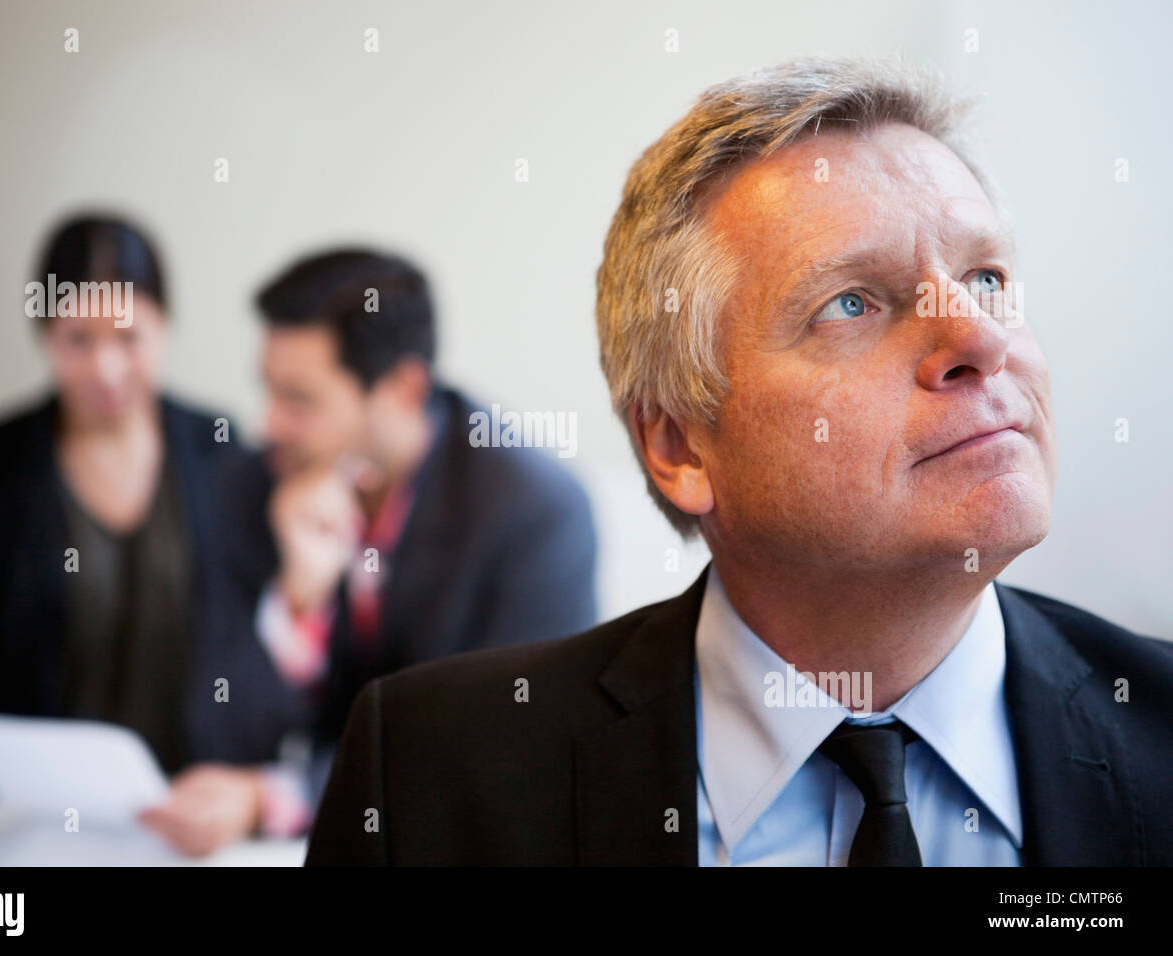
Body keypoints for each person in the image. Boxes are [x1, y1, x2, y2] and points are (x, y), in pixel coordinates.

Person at [304, 57, 1173, 866]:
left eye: (987, 279)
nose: (981, 338)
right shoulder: (427, 776)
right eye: (852, 303)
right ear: (679, 444)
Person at [204, 247, 600, 837]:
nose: (267, 425)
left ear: (402, 389)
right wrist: (297, 609)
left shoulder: (533, 512)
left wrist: (284, 796)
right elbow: (214, 732)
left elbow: (503, 750)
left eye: (299, 400)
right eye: (269, 392)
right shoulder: (253, 486)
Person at [0, 214, 287, 856]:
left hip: (198, 818)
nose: (107, 367)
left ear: (165, 327)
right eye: (78, 339)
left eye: (129, 337)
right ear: (44, 334)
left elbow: (260, 642)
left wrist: (240, 793)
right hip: (46, 820)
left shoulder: (222, 449)